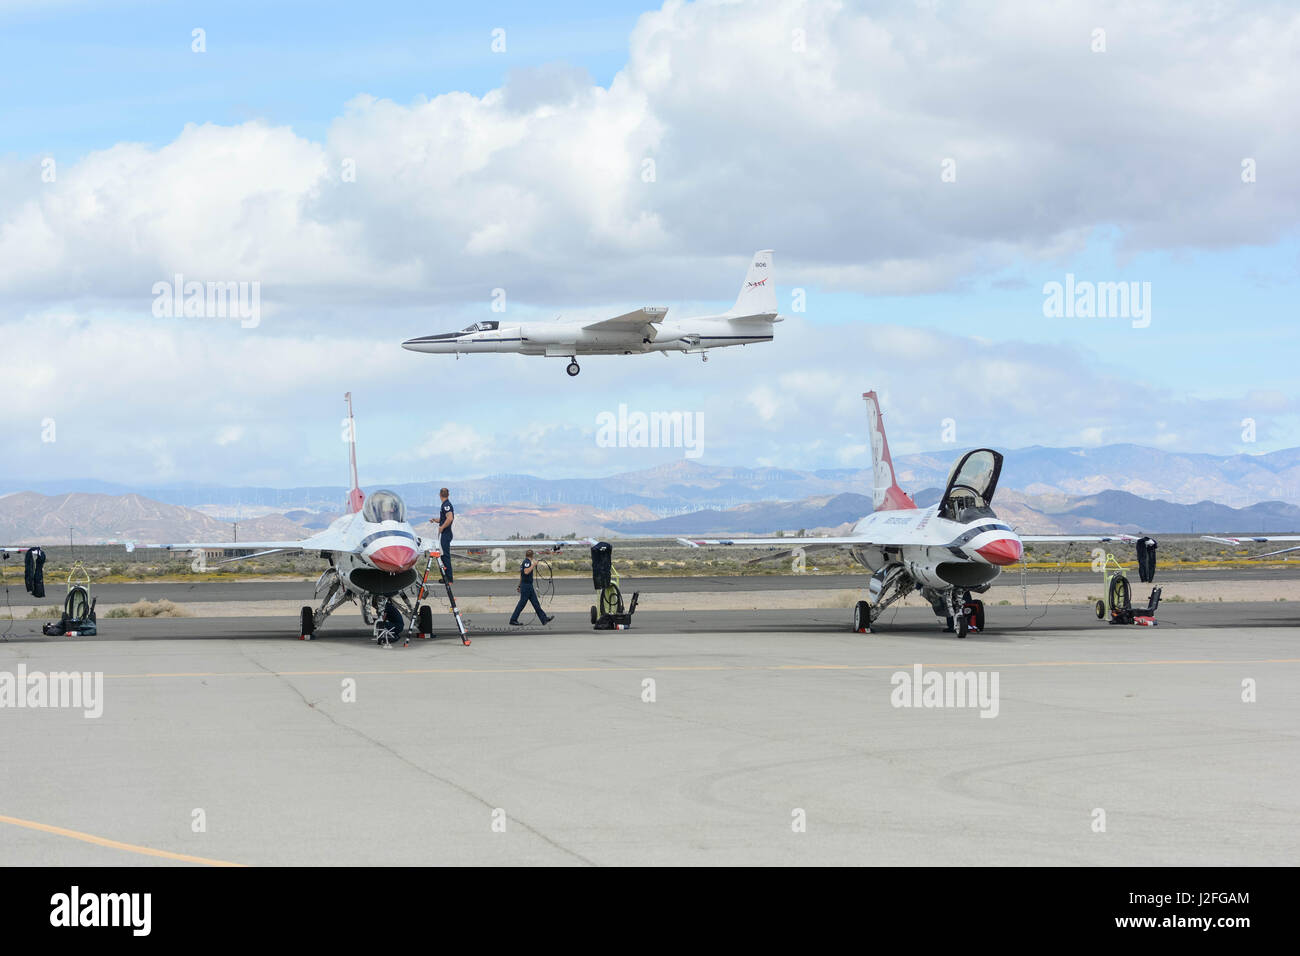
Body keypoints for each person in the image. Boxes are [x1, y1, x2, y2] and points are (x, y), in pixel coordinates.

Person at [509, 549, 553, 626]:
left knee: (536, 603)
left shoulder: (526, 562)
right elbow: (526, 572)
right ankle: (513, 619)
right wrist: (533, 565)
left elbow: (521, 576)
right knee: (521, 604)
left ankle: (544, 619)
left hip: (528, 586)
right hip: (526, 586)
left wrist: (519, 585)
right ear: (532, 556)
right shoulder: (527, 562)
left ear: (526, 555)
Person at [437, 487, 455, 583]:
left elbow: (450, 518)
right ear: (448, 494)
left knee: (445, 556)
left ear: (440, 495)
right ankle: (446, 577)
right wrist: (437, 520)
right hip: (445, 533)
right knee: (443, 556)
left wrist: (442, 527)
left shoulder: (446, 505)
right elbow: (445, 518)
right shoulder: (445, 505)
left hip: (445, 534)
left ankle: (448, 578)